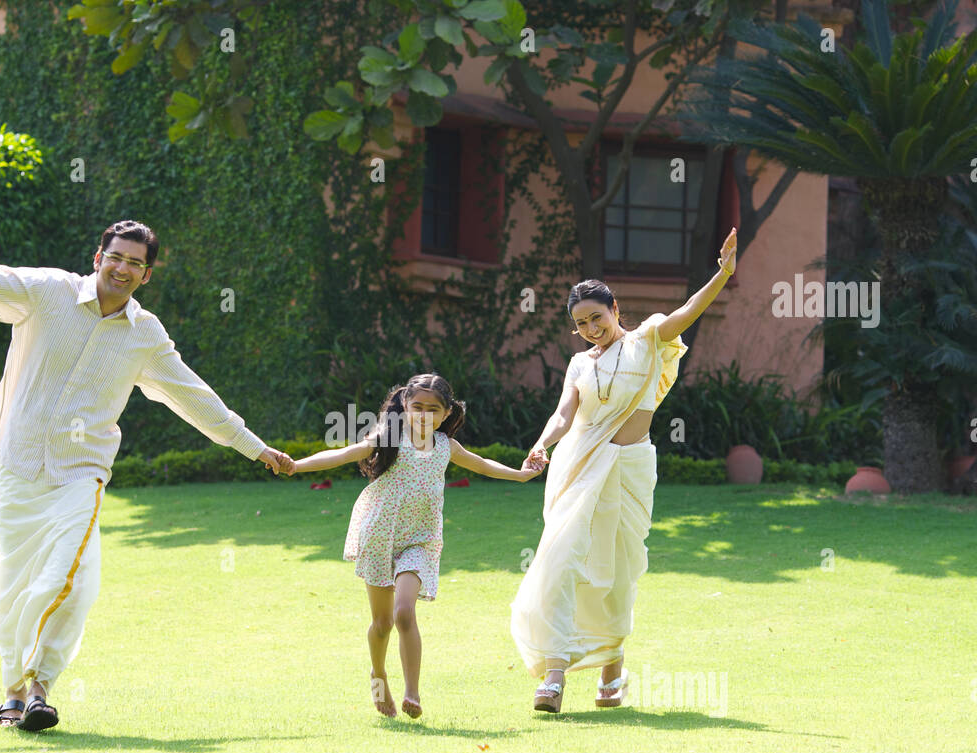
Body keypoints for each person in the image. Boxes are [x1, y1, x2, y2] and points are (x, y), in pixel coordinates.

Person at [0, 217, 292, 732]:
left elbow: (193, 397)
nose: (122, 268)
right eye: (115, 257)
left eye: (135, 264)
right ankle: (14, 693)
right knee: (14, 585)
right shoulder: (46, 292)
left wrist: (255, 448)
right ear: (98, 259)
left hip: (81, 474)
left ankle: (40, 687)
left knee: (66, 580)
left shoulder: (145, 335)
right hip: (21, 464)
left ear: (146, 276)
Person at [513, 228, 738, 713]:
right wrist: (540, 443)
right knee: (561, 560)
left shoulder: (648, 338)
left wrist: (721, 275)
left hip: (632, 467)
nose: (591, 329)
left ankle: (611, 672)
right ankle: (554, 677)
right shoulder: (578, 364)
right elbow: (564, 414)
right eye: (581, 324)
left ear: (615, 308)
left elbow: (685, 314)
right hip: (579, 465)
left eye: (596, 317)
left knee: (616, 572)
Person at [289, 373, 543, 718]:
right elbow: (346, 454)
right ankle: (378, 675)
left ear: (446, 413)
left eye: (432, 409)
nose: (423, 414)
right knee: (382, 624)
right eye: (417, 406)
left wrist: (521, 474)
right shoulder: (389, 437)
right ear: (405, 405)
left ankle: (413, 693)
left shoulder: (445, 447)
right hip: (380, 536)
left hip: (420, 541)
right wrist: (296, 465)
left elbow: (483, 466)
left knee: (404, 611)